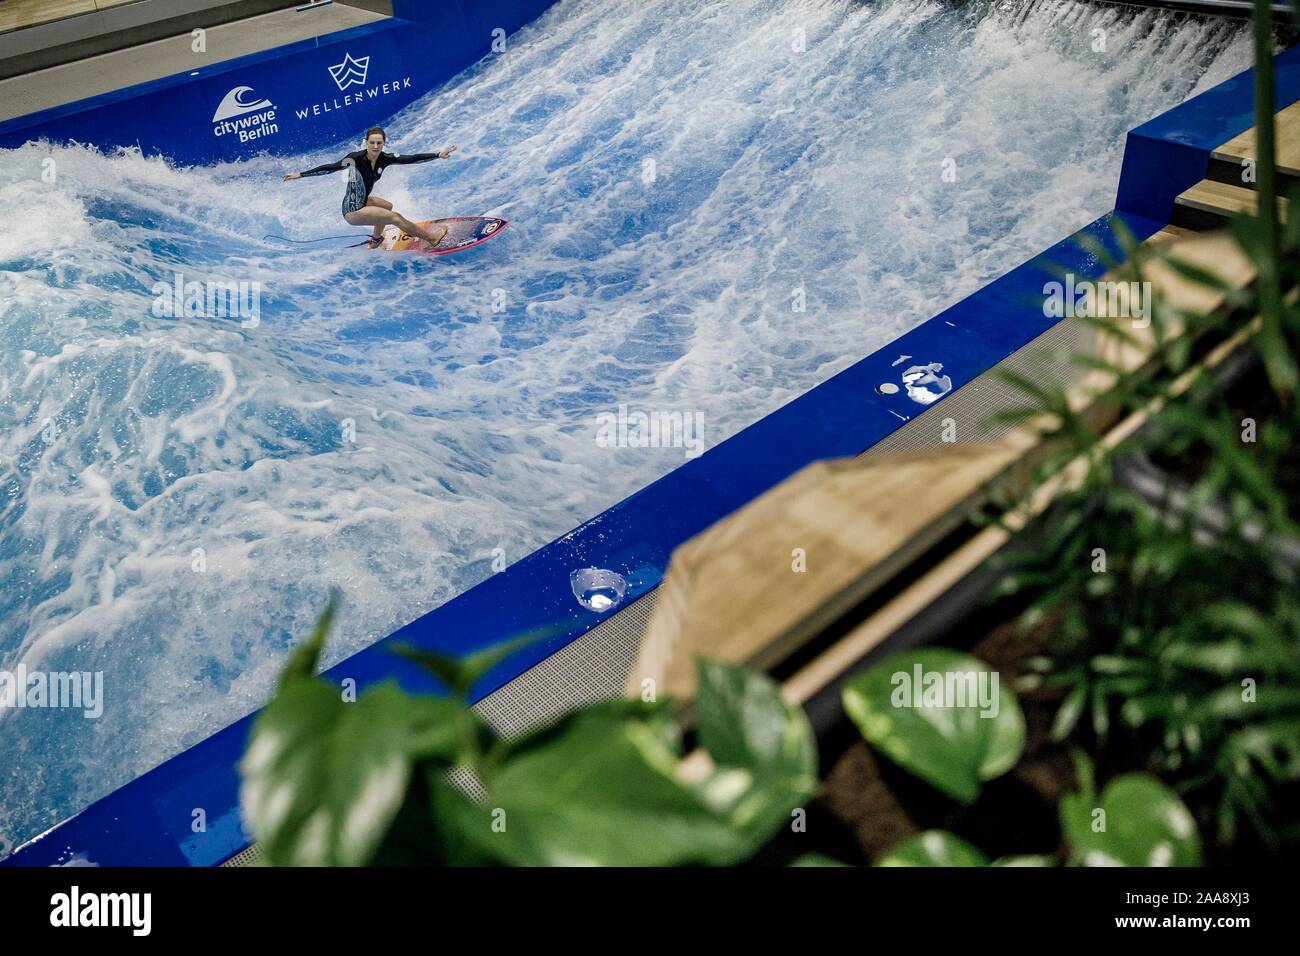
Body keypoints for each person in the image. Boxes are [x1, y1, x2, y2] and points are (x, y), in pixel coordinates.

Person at [282, 126, 457, 247]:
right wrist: (301, 174)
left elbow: (411, 158)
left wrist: (437, 154)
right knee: (394, 217)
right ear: (366, 142)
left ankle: (376, 240)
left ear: (383, 143)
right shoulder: (355, 158)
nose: (375, 146)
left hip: (364, 203)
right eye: (372, 142)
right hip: (352, 211)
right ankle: (431, 238)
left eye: (379, 143)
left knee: (387, 207)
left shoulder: (385, 158)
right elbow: (331, 167)